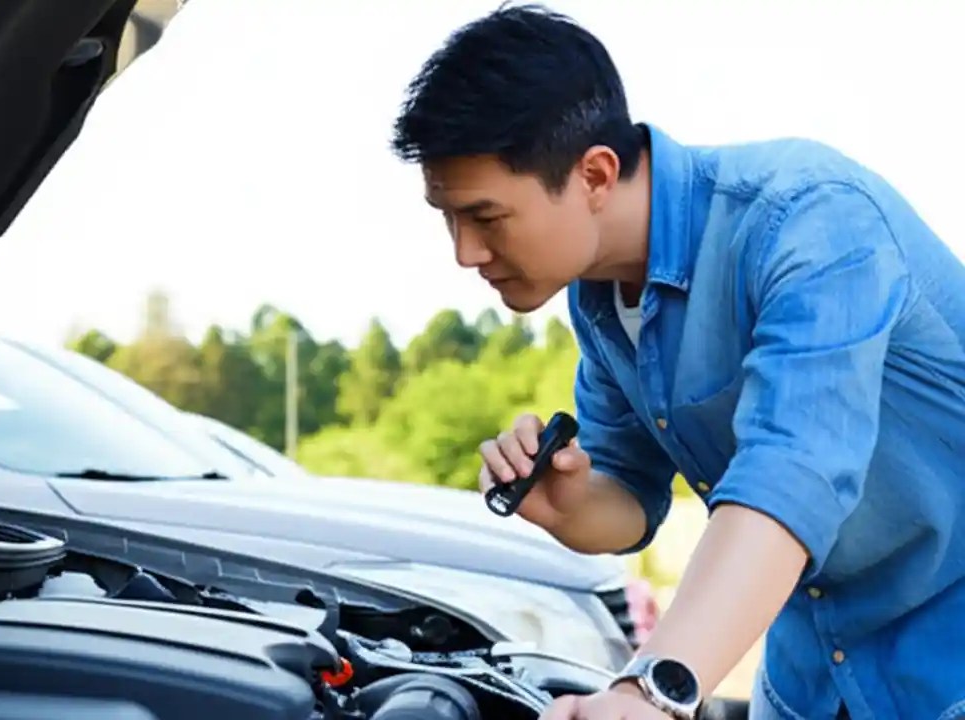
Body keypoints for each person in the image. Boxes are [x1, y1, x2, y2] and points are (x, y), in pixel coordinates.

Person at [390, 4, 965, 720]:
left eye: (486, 217)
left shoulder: (811, 220)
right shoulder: (598, 300)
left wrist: (648, 692)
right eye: (447, 220)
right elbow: (631, 497)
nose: (464, 253)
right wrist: (569, 506)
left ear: (595, 175)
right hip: (810, 677)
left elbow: (795, 472)